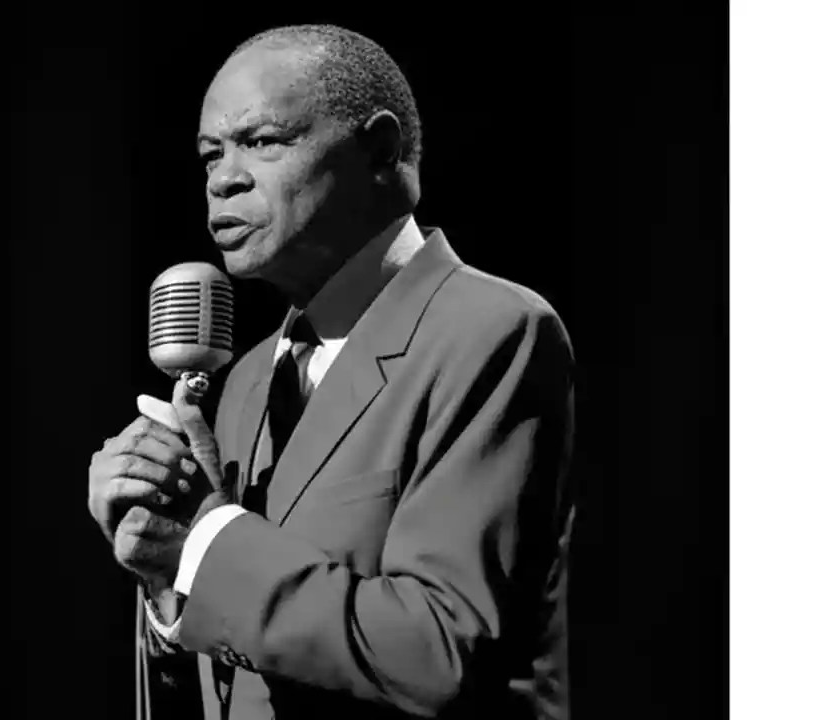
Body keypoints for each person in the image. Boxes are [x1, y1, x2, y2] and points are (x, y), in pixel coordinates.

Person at [87, 24, 577, 720]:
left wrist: (204, 541)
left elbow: (440, 652)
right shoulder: (250, 378)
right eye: (209, 155)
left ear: (381, 151)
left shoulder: (492, 329)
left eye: (262, 141)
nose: (222, 178)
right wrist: (168, 584)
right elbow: (234, 659)